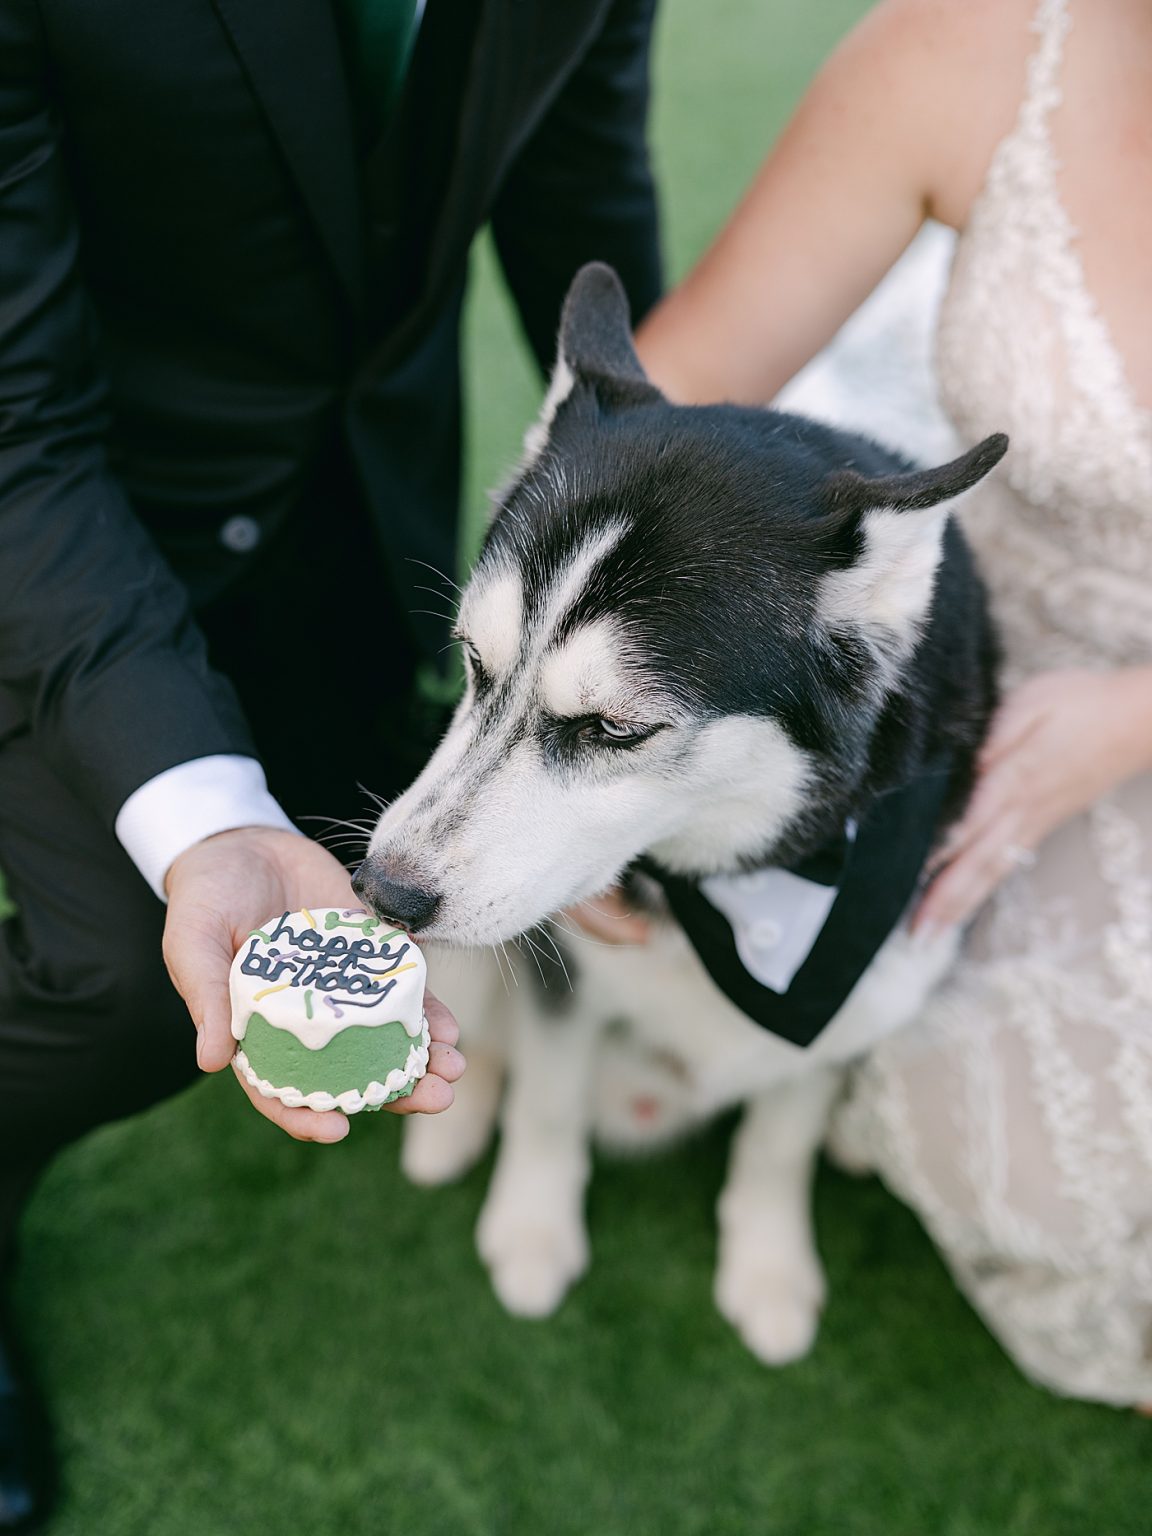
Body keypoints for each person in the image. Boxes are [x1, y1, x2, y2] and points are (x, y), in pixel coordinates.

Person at [0, 0, 662, 1524]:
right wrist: (204, 817)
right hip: (61, 511)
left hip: (371, 500)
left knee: (383, 818)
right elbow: (16, 419)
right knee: (117, 982)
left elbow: (586, 216)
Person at [631, 0, 1152, 1405]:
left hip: (1122, 720)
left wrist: (1138, 715)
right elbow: (657, 402)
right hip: (989, 672)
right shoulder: (969, 48)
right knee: (1055, 1181)